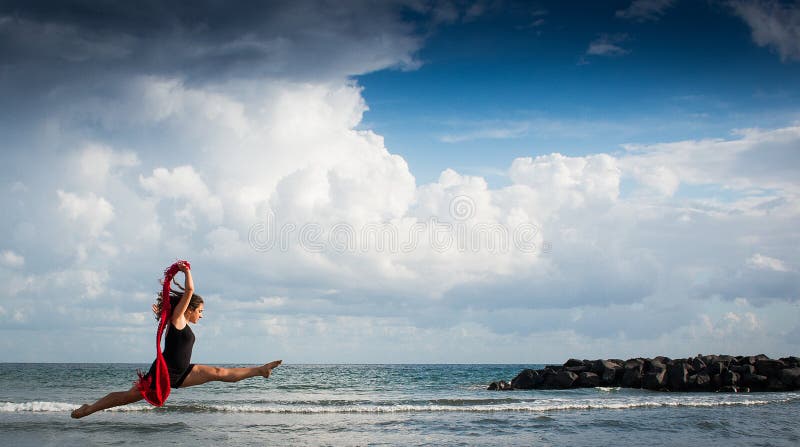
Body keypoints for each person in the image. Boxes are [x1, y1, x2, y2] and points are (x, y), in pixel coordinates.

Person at [71, 261, 282, 419]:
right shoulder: (178, 319)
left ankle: (260, 370)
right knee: (127, 397)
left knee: (220, 372)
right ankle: (89, 409)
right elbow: (189, 291)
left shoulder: (183, 323)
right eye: (200, 311)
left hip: (182, 372)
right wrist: (186, 271)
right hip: (164, 373)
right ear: (188, 309)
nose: (201, 314)